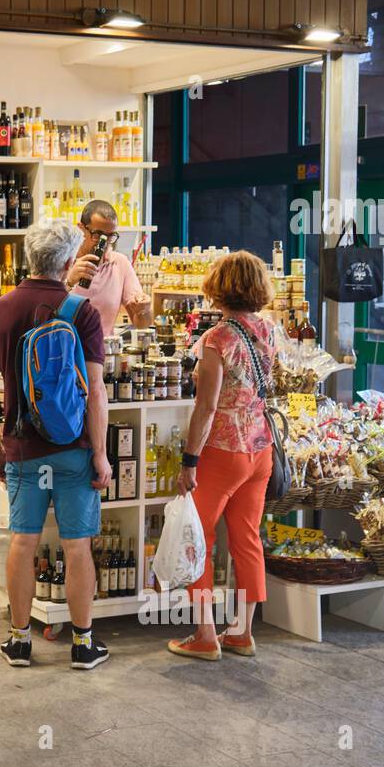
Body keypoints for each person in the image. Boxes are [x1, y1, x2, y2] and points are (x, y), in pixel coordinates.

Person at [0, 220, 111, 671]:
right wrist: (99, 452)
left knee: (23, 541)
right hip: (73, 447)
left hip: (22, 448)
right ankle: (83, 645)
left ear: (26, 258)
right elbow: (94, 390)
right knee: (77, 547)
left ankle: (19, 642)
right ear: (69, 263)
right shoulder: (83, 311)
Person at [171, 251, 275, 661]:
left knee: (198, 538)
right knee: (247, 539)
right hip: (260, 448)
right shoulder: (266, 331)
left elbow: (207, 406)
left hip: (223, 450)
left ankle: (205, 634)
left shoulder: (217, 338)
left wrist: (189, 460)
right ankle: (242, 632)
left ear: (220, 286)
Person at [65, 199, 153, 334]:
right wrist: (68, 282)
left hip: (103, 351)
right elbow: (44, 312)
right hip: (67, 350)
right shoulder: (63, 261)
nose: (104, 243)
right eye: (98, 235)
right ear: (81, 228)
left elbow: (141, 324)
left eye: (110, 236)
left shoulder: (120, 263)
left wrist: (143, 309)